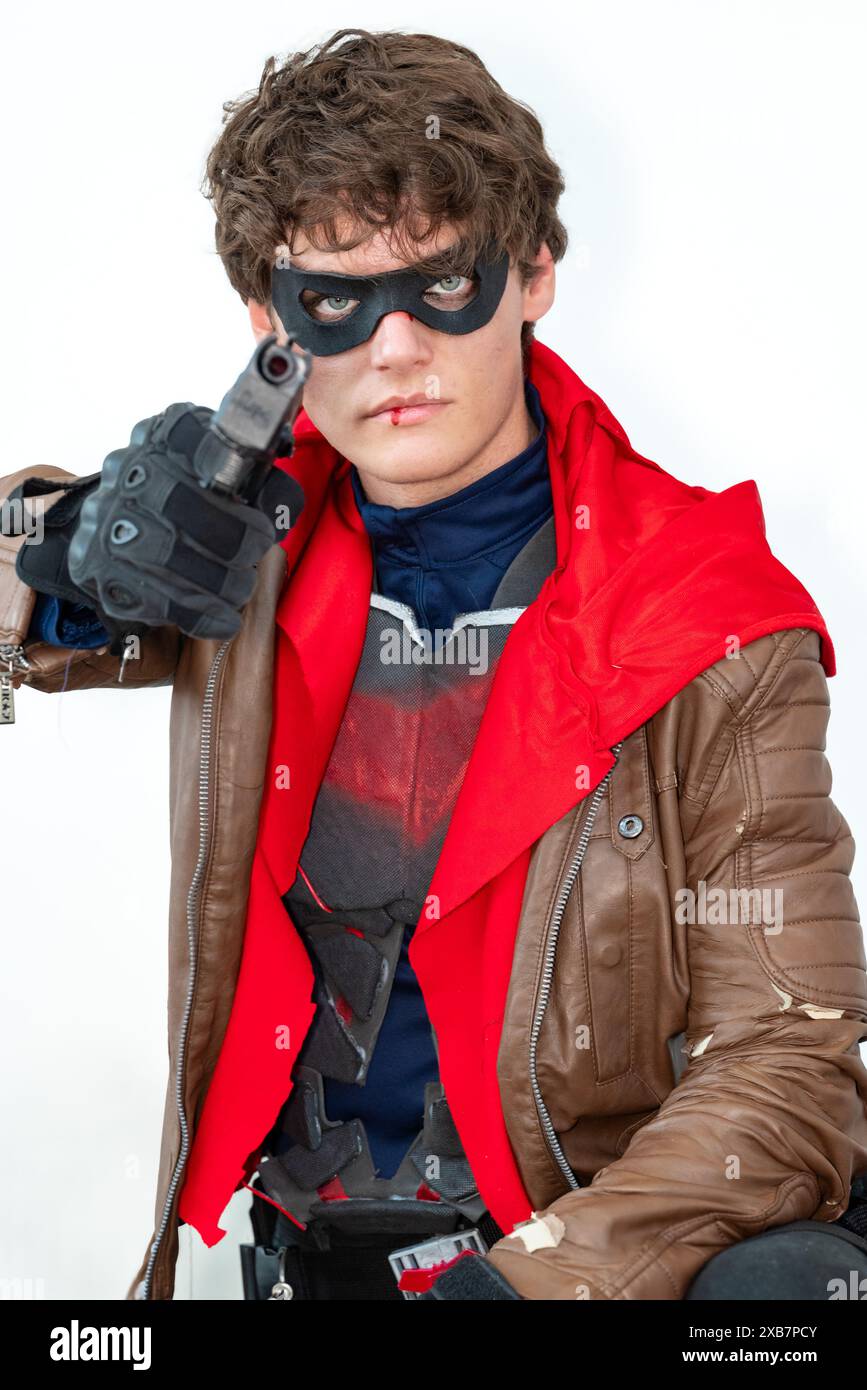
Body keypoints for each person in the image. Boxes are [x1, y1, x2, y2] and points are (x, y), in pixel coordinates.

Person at [2, 27, 866, 1302]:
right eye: (338, 300)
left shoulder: (703, 609)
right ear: (267, 322)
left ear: (532, 273)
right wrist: (61, 541)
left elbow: (790, 1055)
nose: (396, 349)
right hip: (292, 1267)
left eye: (441, 283)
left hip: (566, 1268)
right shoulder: (242, 550)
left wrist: (532, 1289)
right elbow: (42, 581)